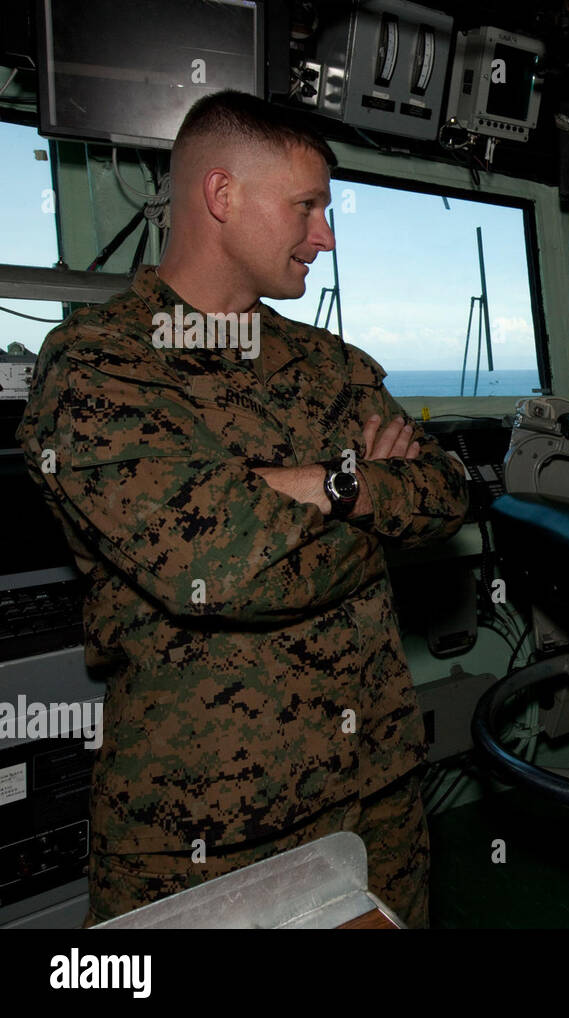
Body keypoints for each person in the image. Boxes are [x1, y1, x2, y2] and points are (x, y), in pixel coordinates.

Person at [17, 90, 469, 927]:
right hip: (199, 823)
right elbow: (217, 569)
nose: (326, 236)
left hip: (373, 792)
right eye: (308, 207)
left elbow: (444, 494)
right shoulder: (96, 365)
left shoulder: (330, 361)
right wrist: (355, 488)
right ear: (222, 197)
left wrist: (312, 487)